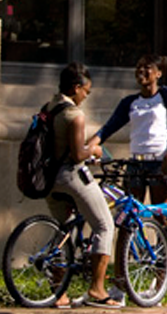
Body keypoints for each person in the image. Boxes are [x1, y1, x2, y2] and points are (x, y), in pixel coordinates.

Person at [45, 62, 121, 309]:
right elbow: (78, 155)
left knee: (64, 231)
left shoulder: (49, 107)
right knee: (104, 225)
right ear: (76, 88)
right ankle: (97, 290)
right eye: (86, 92)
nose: (86, 96)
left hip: (48, 178)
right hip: (70, 177)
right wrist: (95, 149)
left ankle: (58, 295)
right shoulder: (74, 115)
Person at [87, 54, 167, 205]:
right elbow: (107, 129)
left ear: (158, 73)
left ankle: (166, 229)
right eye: (138, 67)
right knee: (128, 217)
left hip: (159, 163)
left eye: (147, 67)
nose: (141, 71)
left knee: (160, 217)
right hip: (135, 165)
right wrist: (89, 146)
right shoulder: (130, 102)